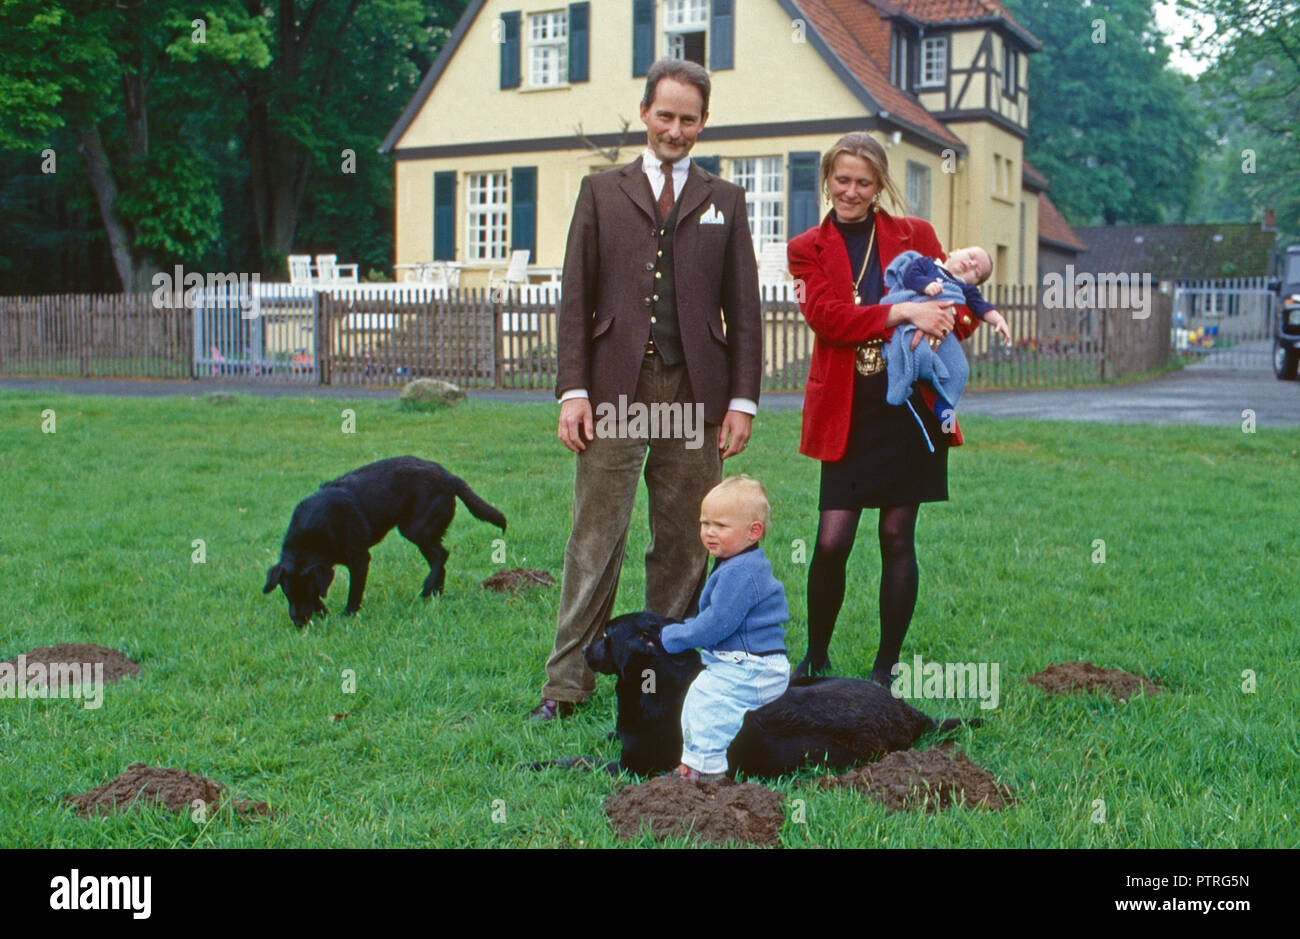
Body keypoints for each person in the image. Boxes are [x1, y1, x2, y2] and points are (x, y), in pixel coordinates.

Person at [533, 58, 762, 721]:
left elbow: (743, 308)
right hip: (613, 386)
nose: (676, 129)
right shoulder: (602, 191)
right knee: (595, 534)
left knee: (688, 539)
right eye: (665, 115)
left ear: (704, 124)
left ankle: (668, 672)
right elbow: (575, 299)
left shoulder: (726, 200)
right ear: (644, 114)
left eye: (689, 119)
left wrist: (742, 401)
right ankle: (566, 684)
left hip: (697, 389)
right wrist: (572, 391)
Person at [785, 132, 983, 685]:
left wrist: (951, 314)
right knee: (832, 540)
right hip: (849, 409)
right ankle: (816, 656)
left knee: (898, 537)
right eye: (842, 180)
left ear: (879, 186)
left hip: (910, 412)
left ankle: (885, 669)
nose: (850, 191)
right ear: (828, 179)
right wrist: (905, 314)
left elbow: (952, 302)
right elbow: (828, 319)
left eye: (863, 182)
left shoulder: (914, 235)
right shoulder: (805, 248)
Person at [659, 476, 789, 780]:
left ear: (753, 531)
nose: (709, 533)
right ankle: (691, 762)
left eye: (720, 525)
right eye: (705, 523)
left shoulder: (742, 572)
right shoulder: (737, 562)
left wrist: (672, 636)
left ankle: (706, 773)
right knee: (697, 695)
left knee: (710, 700)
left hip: (755, 666)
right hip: (743, 659)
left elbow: (716, 625)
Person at [878, 247, 1013, 429]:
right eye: (972, 257)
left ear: (974, 282)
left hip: (942, 331)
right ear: (955, 251)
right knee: (909, 352)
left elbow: (982, 307)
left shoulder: (965, 289)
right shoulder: (927, 264)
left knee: (961, 369)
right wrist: (925, 285)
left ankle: (944, 402)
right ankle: (900, 386)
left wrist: (998, 319)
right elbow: (910, 276)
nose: (972, 264)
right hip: (913, 316)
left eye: (977, 271)